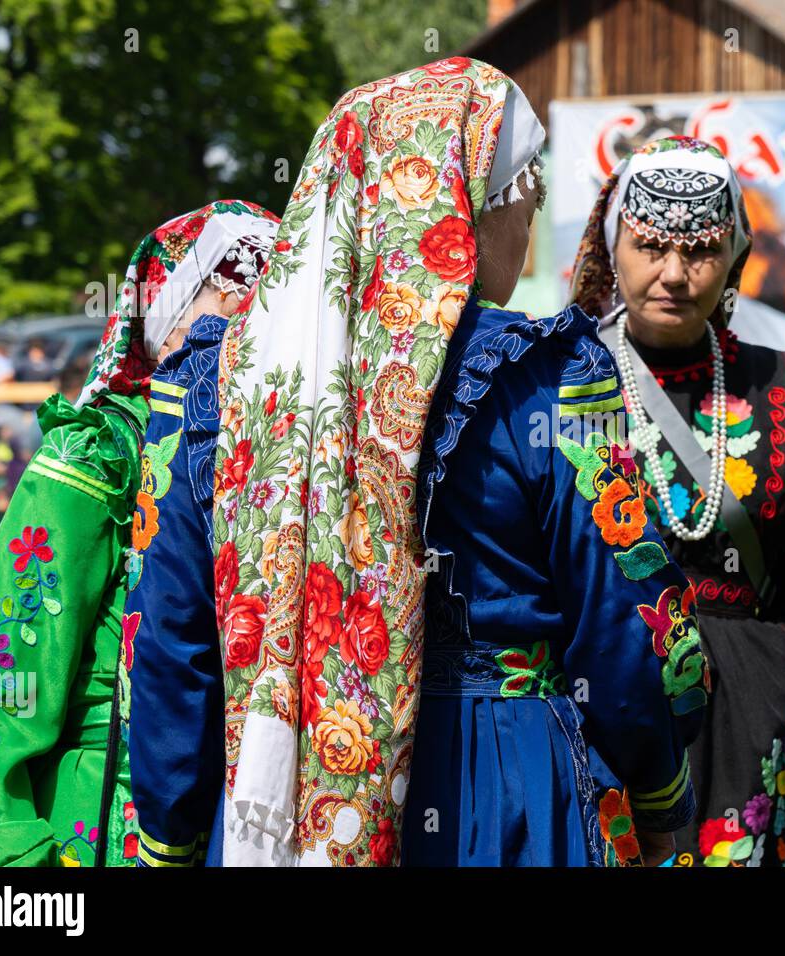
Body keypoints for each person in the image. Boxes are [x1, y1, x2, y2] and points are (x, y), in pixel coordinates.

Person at [210, 56, 705, 867]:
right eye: (526, 186)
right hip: (504, 774)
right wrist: (661, 795)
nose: (537, 205)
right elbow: (627, 621)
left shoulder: (266, 379)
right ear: (464, 203)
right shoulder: (547, 376)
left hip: (328, 774)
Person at [0, 200, 274, 867]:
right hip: (101, 833)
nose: (252, 314)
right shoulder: (98, 458)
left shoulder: (272, 462)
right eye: (231, 289)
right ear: (166, 318)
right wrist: (18, 871)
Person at [569, 136, 785, 866]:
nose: (673, 274)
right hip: (604, 723)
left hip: (751, 728)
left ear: (734, 255)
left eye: (699, 250)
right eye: (651, 245)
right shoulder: (565, 384)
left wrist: (774, 664)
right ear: (612, 242)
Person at [122, 204, 278, 867]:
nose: (239, 308)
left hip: (224, 788)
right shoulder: (100, 441)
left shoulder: (190, 401)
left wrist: (165, 842)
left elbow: (171, 639)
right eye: (222, 290)